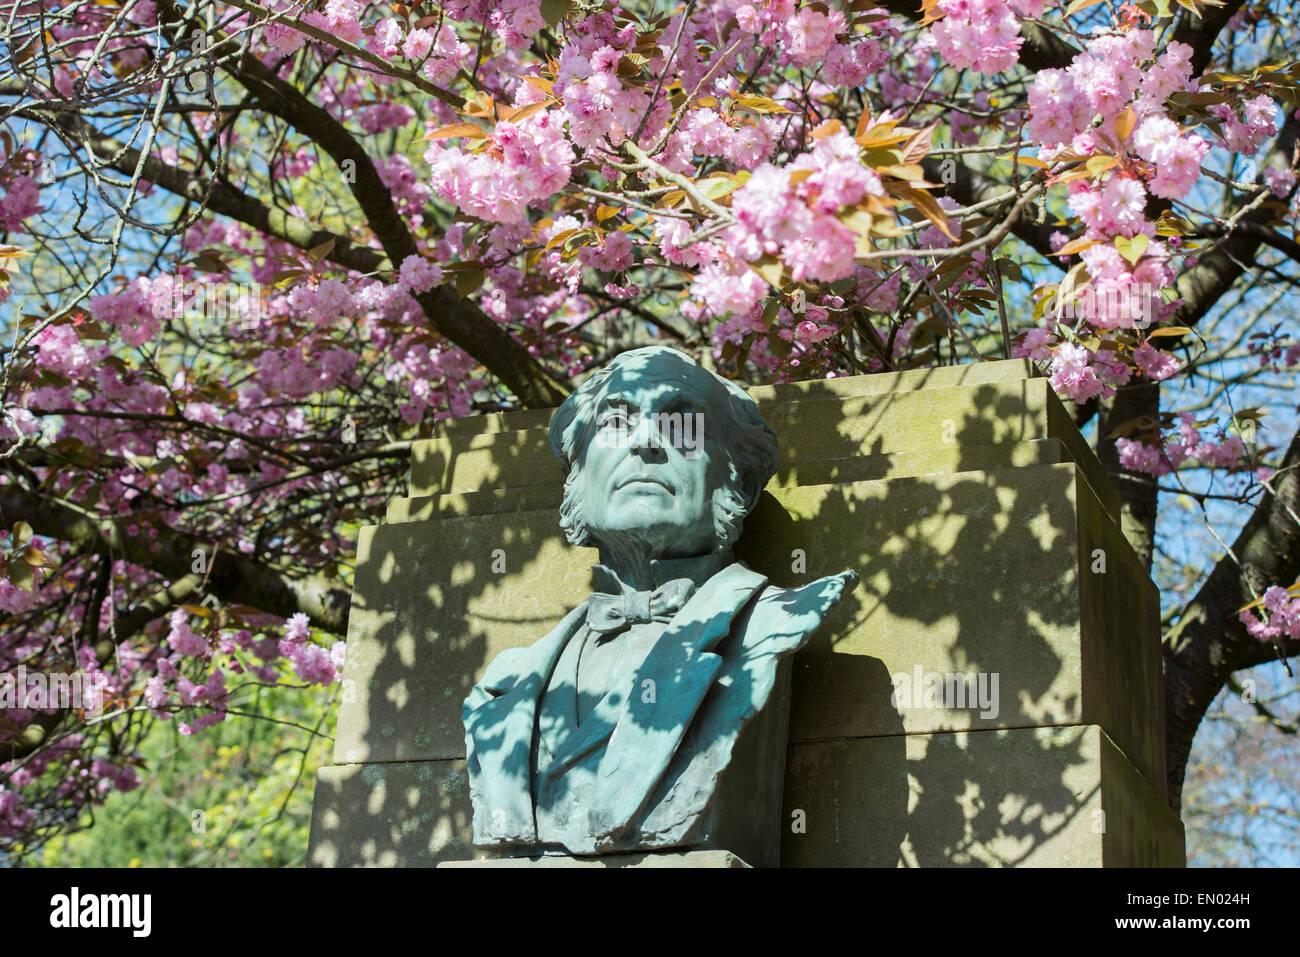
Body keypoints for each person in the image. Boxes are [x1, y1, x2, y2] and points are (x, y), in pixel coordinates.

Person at [463, 346, 856, 857]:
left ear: (743, 481)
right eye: (616, 421)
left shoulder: (776, 625)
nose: (646, 441)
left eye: (683, 426)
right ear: (577, 473)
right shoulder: (504, 683)